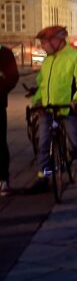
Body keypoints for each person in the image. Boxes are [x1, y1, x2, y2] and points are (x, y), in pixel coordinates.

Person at [28, 27, 77, 196]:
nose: (42, 46)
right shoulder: (48, 61)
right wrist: (37, 102)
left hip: (68, 109)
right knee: (43, 144)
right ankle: (45, 176)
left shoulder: (76, 58)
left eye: (44, 43)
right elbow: (42, 85)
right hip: (48, 109)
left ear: (56, 41)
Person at [0, 43, 18, 196]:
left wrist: (2, 89)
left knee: (0, 143)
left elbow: (13, 77)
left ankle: (3, 180)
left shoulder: (5, 53)